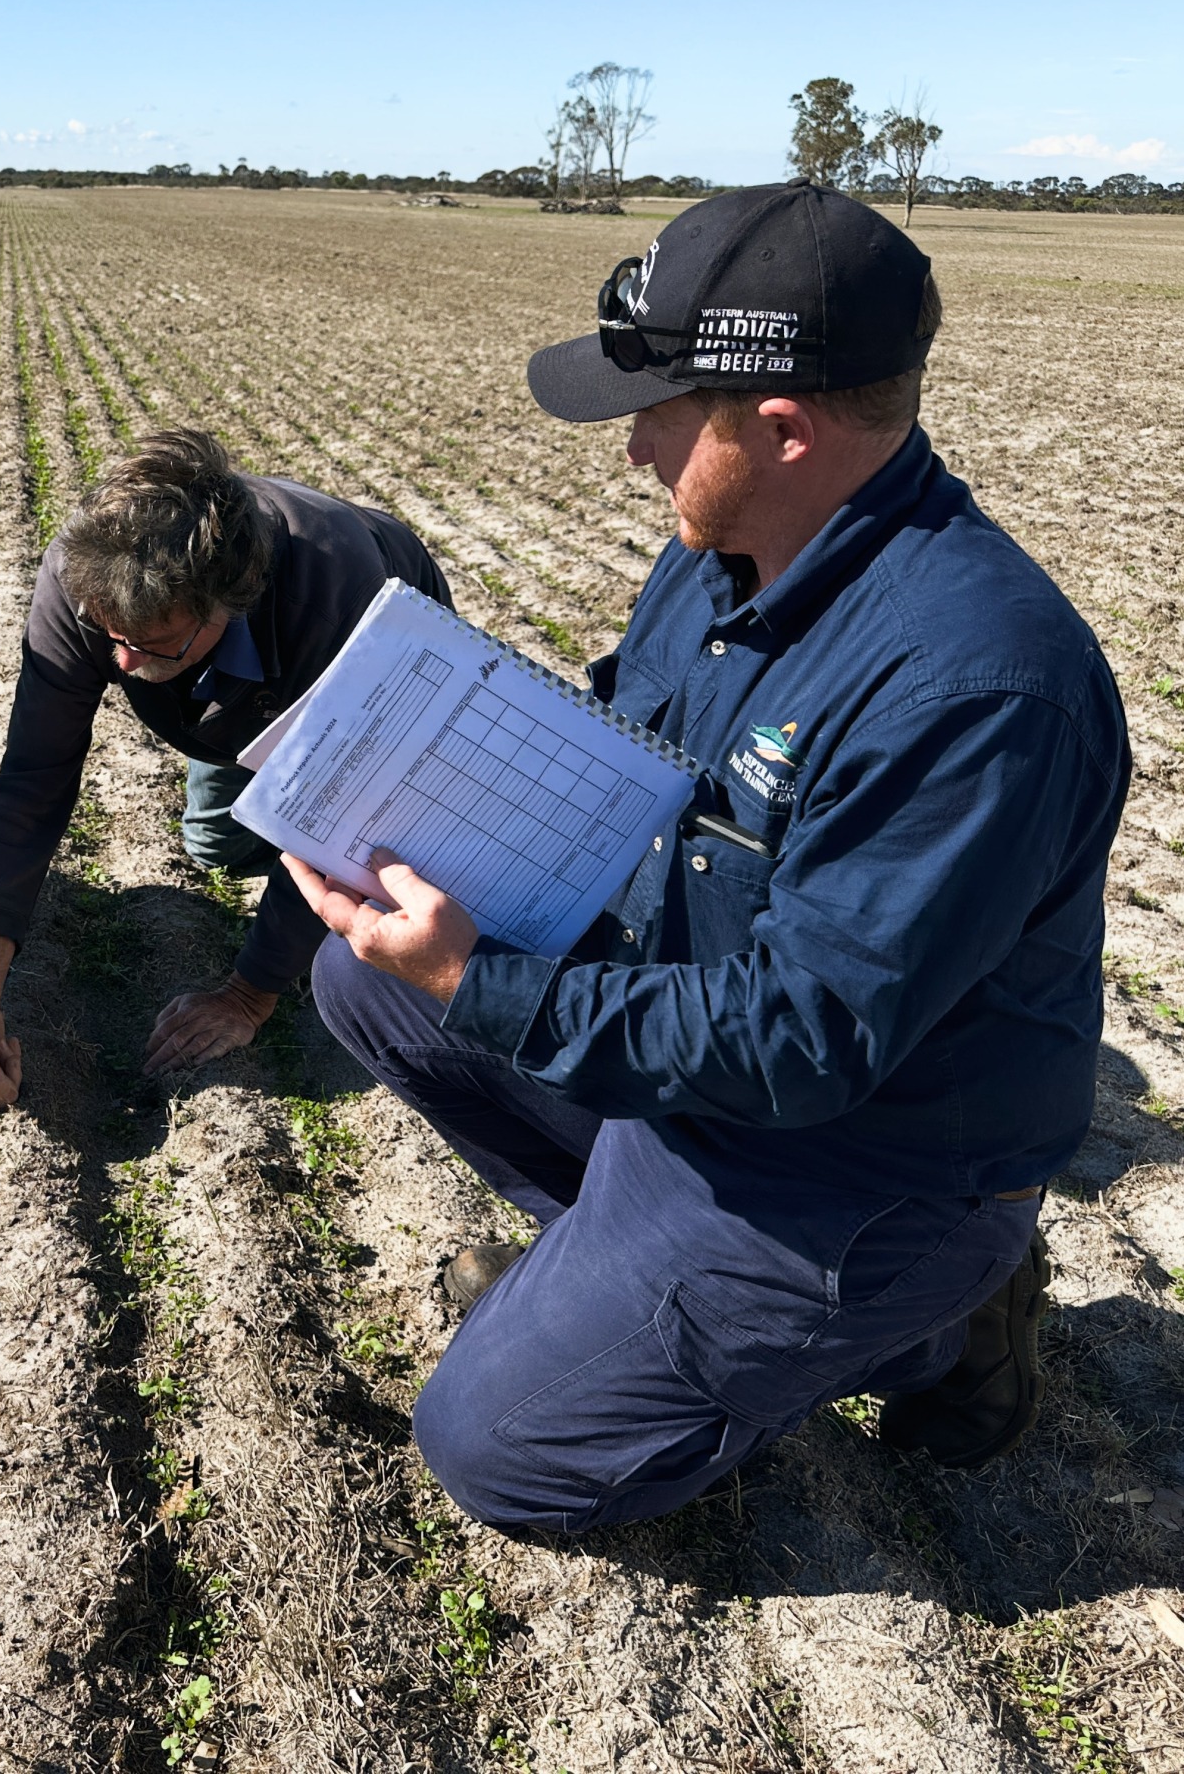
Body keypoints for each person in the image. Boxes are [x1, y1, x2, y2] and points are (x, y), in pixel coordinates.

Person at [291, 180, 1129, 1534]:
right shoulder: (720, 553)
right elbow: (633, 767)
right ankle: (621, 1277)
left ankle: (931, 1322)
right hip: (707, 1057)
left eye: (657, 418)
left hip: (858, 1164)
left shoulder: (979, 692)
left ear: (783, 428)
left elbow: (807, 1040)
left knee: (490, 1450)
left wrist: (484, 981)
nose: (630, 454)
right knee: (361, 978)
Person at [0, 429, 450, 1134]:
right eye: (108, 635)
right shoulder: (85, 571)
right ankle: (237, 747)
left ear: (229, 603)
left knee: (348, 834)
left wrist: (248, 995)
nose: (119, 663)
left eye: (150, 643)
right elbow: (34, 779)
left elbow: (346, 809)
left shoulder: (337, 597)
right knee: (214, 843)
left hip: (361, 654)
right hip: (231, 692)